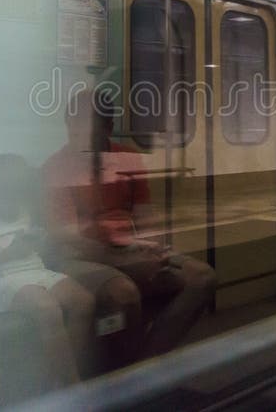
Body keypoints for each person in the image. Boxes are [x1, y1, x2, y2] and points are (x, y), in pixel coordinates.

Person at [42, 90, 216, 360]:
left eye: (86, 130)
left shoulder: (127, 159)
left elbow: (144, 217)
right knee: (123, 293)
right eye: (72, 127)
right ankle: (129, 370)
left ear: (108, 129)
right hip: (79, 256)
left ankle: (146, 361)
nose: (77, 137)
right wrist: (127, 259)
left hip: (128, 248)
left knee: (201, 276)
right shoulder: (56, 168)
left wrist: (151, 247)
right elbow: (70, 238)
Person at [0, 153, 94, 386]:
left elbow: (43, 245)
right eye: (6, 185)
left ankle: (61, 378)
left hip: (35, 269)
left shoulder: (25, 208)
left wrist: (41, 242)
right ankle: (73, 386)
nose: (13, 191)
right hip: (2, 277)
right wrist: (9, 253)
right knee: (48, 308)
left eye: (18, 184)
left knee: (83, 301)